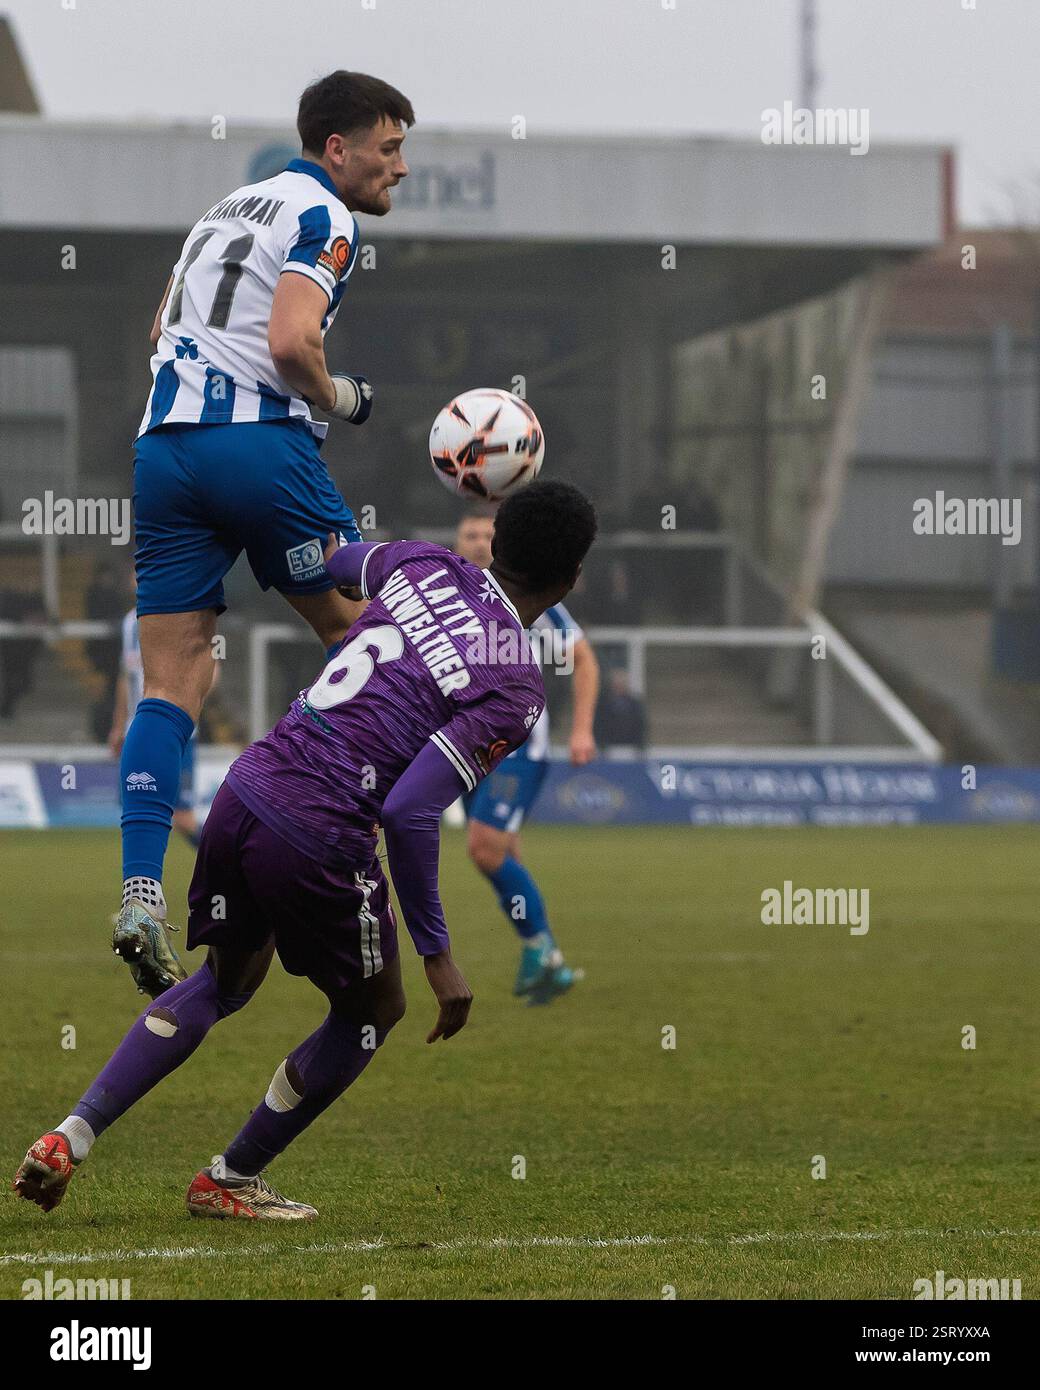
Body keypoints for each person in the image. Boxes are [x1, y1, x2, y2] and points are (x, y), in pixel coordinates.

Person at [14, 481, 597, 1221]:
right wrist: (438, 952)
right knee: (374, 1008)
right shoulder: (514, 682)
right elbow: (409, 811)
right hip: (322, 828)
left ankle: (71, 1135)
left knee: (225, 981)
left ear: (499, 538)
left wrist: (276, 493)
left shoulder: (422, 563)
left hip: (249, 786)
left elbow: (333, 560)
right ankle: (230, 1178)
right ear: (570, 579)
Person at [113, 71, 414, 1000]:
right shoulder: (326, 217)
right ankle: (336, 834)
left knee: (171, 684)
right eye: (389, 148)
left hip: (165, 453)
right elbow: (290, 344)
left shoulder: (218, 213)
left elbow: (165, 325)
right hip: (258, 449)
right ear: (337, 149)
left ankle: (137, 893)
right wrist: (343, 397)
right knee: (364, 636)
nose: (399, 169)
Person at [454, 511, 599, 1003]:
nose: (477, 542)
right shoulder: (451, 594)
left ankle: (539, 947)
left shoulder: (525, 595)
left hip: (518, 746)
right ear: (457, 541)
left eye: (485, 535)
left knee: (484, 848)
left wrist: (581, 729)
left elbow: (583, 658)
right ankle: (550, 960)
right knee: (500, 852)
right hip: (466, 749)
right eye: (469, 534)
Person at [109, 571, 202, 875]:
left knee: (184, 817)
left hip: (178, 732)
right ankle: (139, 894)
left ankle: (231, 864)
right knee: (137, 806)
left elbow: (210, 669)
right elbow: (126, 676)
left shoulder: (178, 614)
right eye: (134, 572)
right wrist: (118, 725)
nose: (137, 577)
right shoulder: (127, 622)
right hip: (139, 731)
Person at [593, 666, 647, 752]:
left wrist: (640, 743)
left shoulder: (635, 703)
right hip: (608, 747)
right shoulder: (603, 703)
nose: (619, 686)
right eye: (617, 683)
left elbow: (640, 723)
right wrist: (601, 742)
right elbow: (599, 724)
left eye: (622, 683)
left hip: (630, 746)